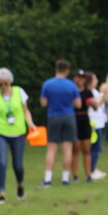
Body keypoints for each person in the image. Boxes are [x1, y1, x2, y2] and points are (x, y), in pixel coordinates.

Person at [0, 67, 35, 203]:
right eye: (0, 84)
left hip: (18, 132)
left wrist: (30, 123)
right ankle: (1, 192)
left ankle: (20, 184)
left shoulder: (19, 92)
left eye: (6, 83)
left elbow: (25, 110)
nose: (3, 86)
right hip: (0, 132)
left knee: (18, 165)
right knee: (2, 162)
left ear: (10, 82)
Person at [40, 60, 81, 188]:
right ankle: (65, 179)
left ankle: (47, 180)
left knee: (51, 149)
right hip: (69, 117)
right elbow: (78, 104)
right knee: (67, 149)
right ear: (67, 70)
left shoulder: (47, 84)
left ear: (56, 68)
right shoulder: (71, 85)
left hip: (54, 117)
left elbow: (43, 103)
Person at [72, 70, 98, 181]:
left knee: (87, 149)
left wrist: (93, 103)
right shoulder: (72, 91)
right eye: (79, 77)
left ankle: (88, 174)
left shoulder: (88, 92)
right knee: (75, 149)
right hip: (74, 120)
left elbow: (95, 108)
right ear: (75, 79)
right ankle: (75, 175)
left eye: (83, 78)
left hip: (85, 119)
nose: (81, 80)